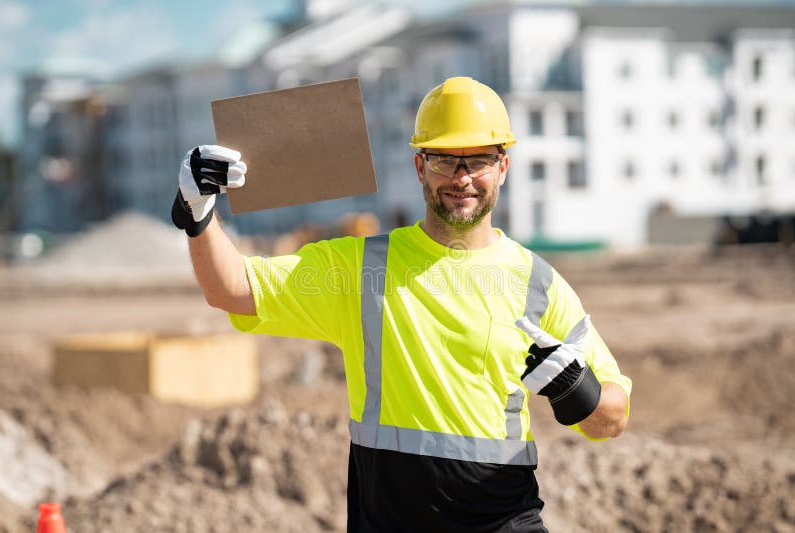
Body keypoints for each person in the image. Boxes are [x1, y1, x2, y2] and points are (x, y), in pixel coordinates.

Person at [172, 76, 631, 532]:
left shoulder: (538, 282)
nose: (462, 177)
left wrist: (579, 390)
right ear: (419, 167)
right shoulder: (360, 268)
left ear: (503, 167)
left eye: (478, 161)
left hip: (504, 520)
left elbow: (612, 418)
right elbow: (231, 288)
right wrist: (199, 212)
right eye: (444, 161)